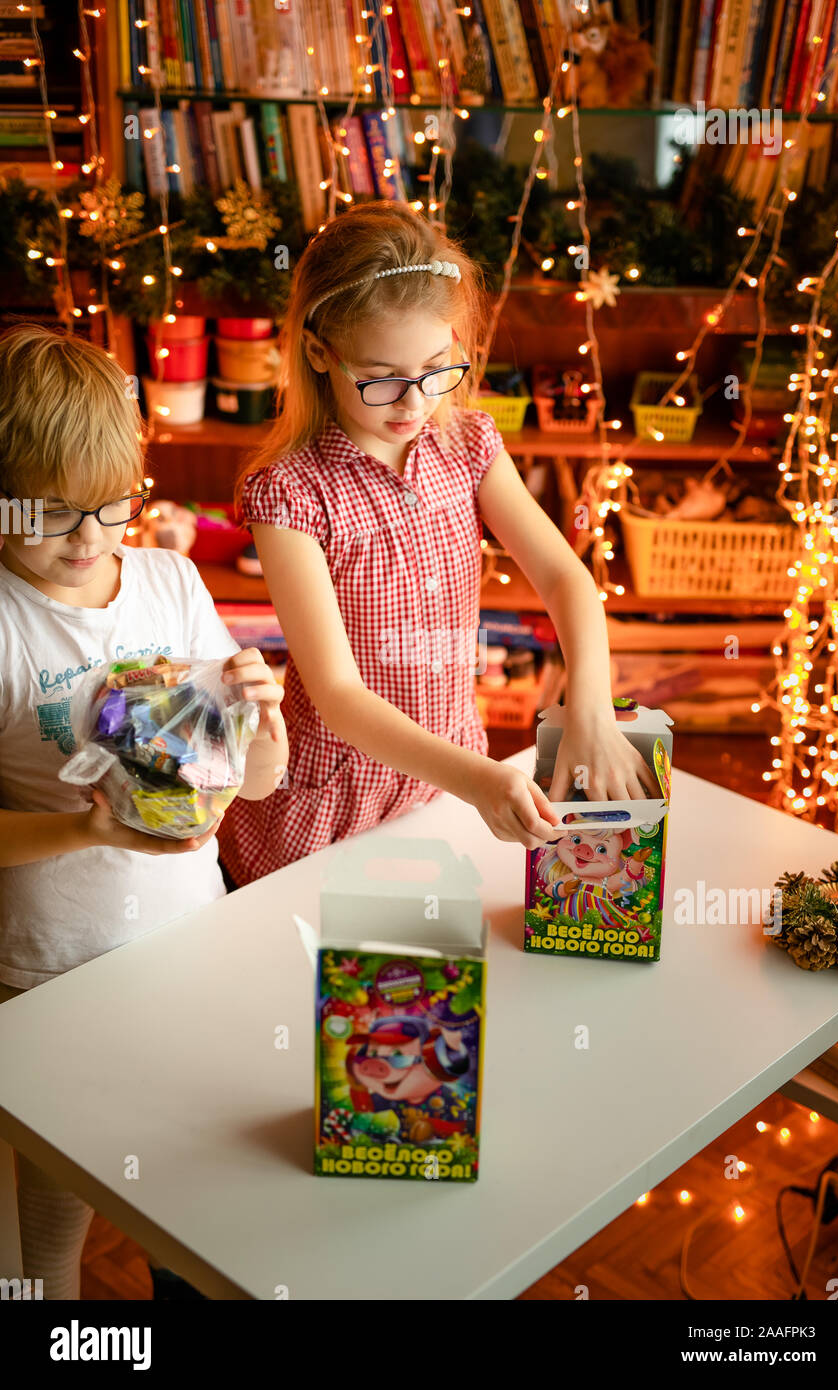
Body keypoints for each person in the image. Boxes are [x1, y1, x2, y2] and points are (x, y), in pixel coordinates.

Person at [218, 200, 657, 889]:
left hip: (449, 784)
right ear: (318, 351)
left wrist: (591, 712)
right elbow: (337, 694)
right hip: (339, 801)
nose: (414, 401)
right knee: (321, 981)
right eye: (383, 377)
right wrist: (481, 782)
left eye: (437, 367)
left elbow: (567, 580)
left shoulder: (470, 444)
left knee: (439, 979)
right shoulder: (290, 492)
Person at [0, 324, 288, 1300]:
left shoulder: (169, 580)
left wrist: (264, 717)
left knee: (189, 1207)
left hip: (185, 950)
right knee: (49, 1234)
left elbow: (248, 782)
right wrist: (85, 828)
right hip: (48, 971)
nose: (89, 538)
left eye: (112, 503)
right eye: (50, 512)